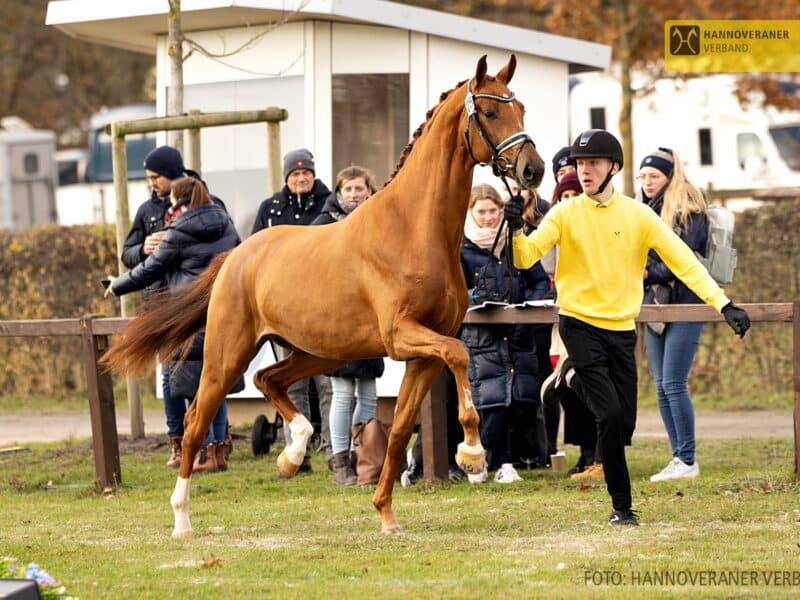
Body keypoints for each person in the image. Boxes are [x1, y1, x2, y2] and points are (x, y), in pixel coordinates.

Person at [504, 129, 751, 526]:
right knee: (610, 415)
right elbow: (525, 256)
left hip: (621, 330)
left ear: (613, 168)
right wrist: (517, 230)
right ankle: (622, 508)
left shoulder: (639, 215)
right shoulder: (565, 213)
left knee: (624, 424)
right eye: (581, 164)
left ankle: (568, 378)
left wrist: (723, 303)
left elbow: (685, 262)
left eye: (594, 164)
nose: (584, 171)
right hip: (578, 323)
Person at [106, 176, 242, 473]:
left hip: (188, 313)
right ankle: (216, 452)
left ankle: (200, 451)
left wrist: (117, 286)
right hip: (225, 311)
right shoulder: (226, 224)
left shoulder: (179, 230)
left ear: (177, 201)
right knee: (214, 382)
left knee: (191, 385)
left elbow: (151, 268)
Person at [460, 184, 550, 484]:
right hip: (481, 336)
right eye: (482, 211)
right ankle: (488, 460)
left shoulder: (515, 244)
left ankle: (503, 461)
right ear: (471, 213)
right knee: (491, 401)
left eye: (494, 211)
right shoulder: (461, 247)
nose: (488, 217)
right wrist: (475, 298)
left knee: (517, 401)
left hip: (517, 333)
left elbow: (538, 280)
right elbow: (455, 290)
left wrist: (529, 310)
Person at [251, 148, 333, 472]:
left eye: (306, 173)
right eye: (295, 174)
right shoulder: (270, 209)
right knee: (291, 380)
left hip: (324, 306)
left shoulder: (329, 204)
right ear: (287, 177)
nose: (301, 178)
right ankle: (297, 454)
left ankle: (332, 448)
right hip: (284, 309)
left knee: (327, 381)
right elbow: (254, 250)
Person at [311, 166, 385, 485]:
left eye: (360, 189)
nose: (355, 195)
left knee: (368, 391)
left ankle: (364, 455)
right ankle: (339, 458)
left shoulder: (380, 221)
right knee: (342, 392)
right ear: (339, 193)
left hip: (370, 316)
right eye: (349, 190)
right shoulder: (323, 224)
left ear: (370, 191)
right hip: (338, 316)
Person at [639, 148, 708, 481]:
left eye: (654, 176)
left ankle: (687, 458)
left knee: (673, 383)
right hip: (654, 305)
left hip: (686, 303)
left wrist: (649, 274)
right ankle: (678, 456)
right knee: (661, 387)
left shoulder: (688, 208)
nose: (648, 182)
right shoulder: (643, 210)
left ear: (669, 177)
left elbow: (686, 259)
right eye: (643, 176)